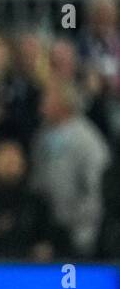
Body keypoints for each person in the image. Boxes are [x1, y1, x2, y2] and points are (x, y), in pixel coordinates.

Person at [30, 77, 111, 258]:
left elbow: (96, 191)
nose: (42, 102)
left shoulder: (87, 140)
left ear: (63, 102)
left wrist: (73, 226)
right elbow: (37, 184)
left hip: (80, 233)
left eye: (47, 97)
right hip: (49, 231)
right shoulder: (42, 136)